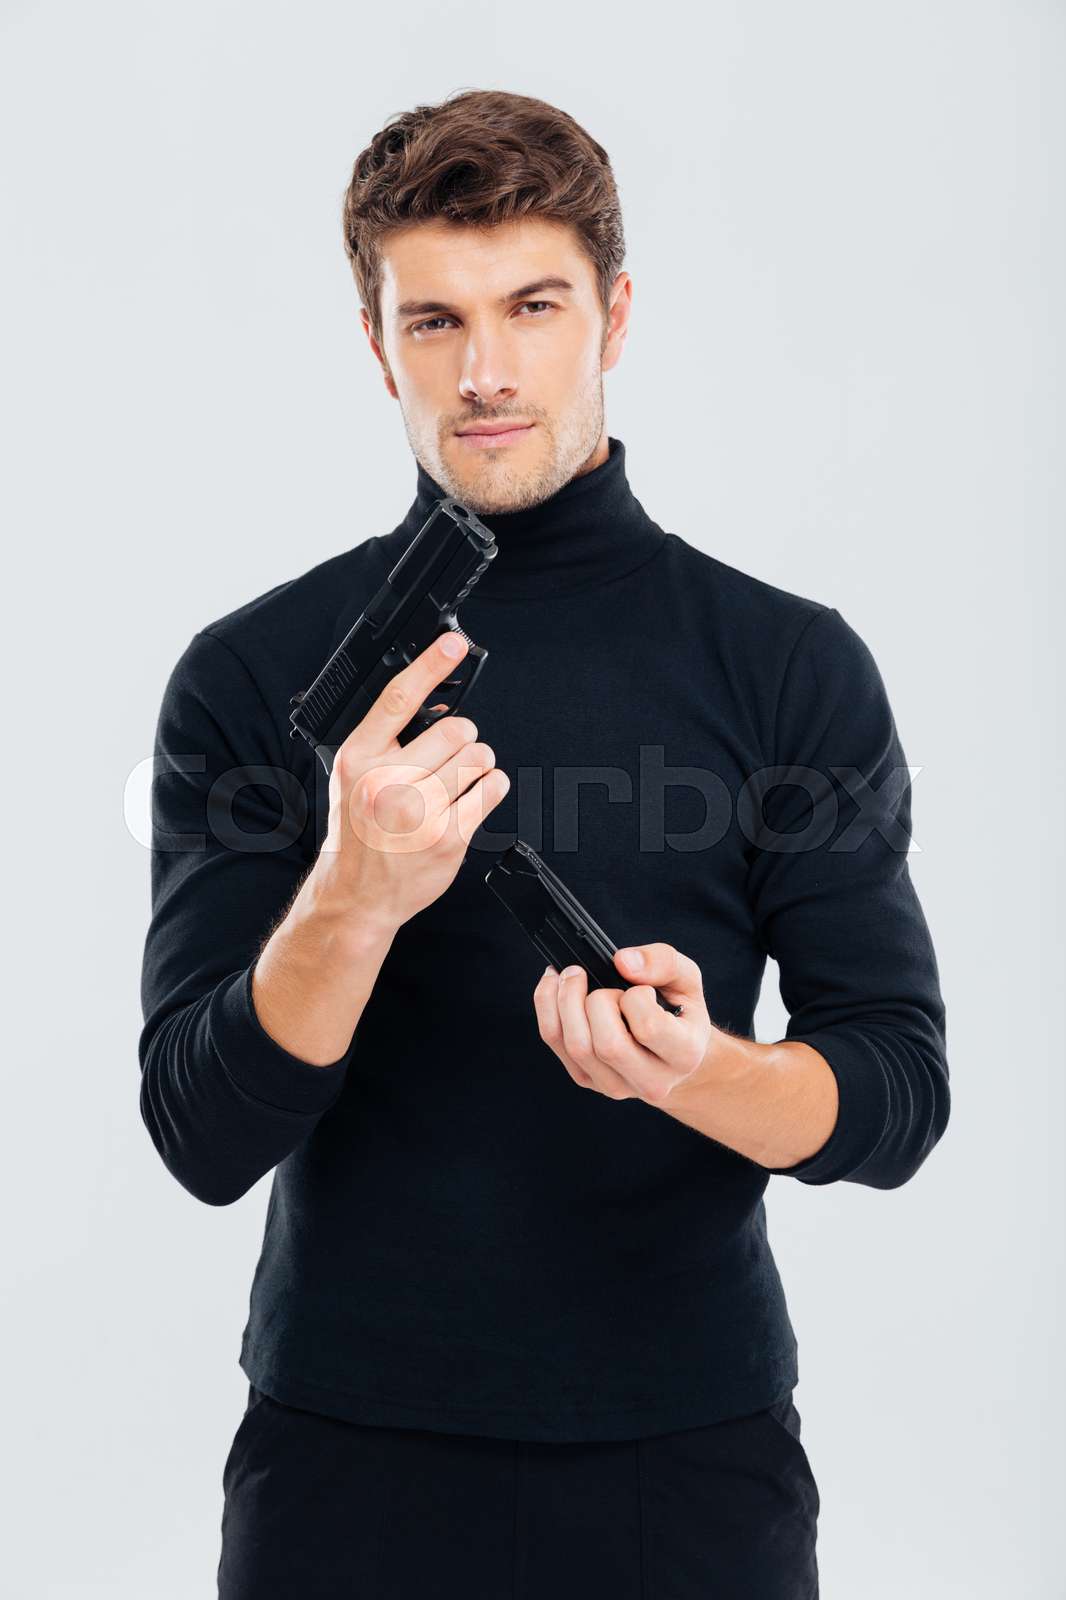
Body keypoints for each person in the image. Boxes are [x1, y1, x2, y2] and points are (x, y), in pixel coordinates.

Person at [138, 88, 950, 1599]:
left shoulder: (785, 665)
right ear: (376, 343)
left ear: (614, 316)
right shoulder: (253, 672)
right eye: (434, 321)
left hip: (688, 1465)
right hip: (344, 1466)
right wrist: (352, 898)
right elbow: (200, 1134)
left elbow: (895, 1097)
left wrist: (699, 1073)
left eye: (533, 306)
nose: (486, 371)